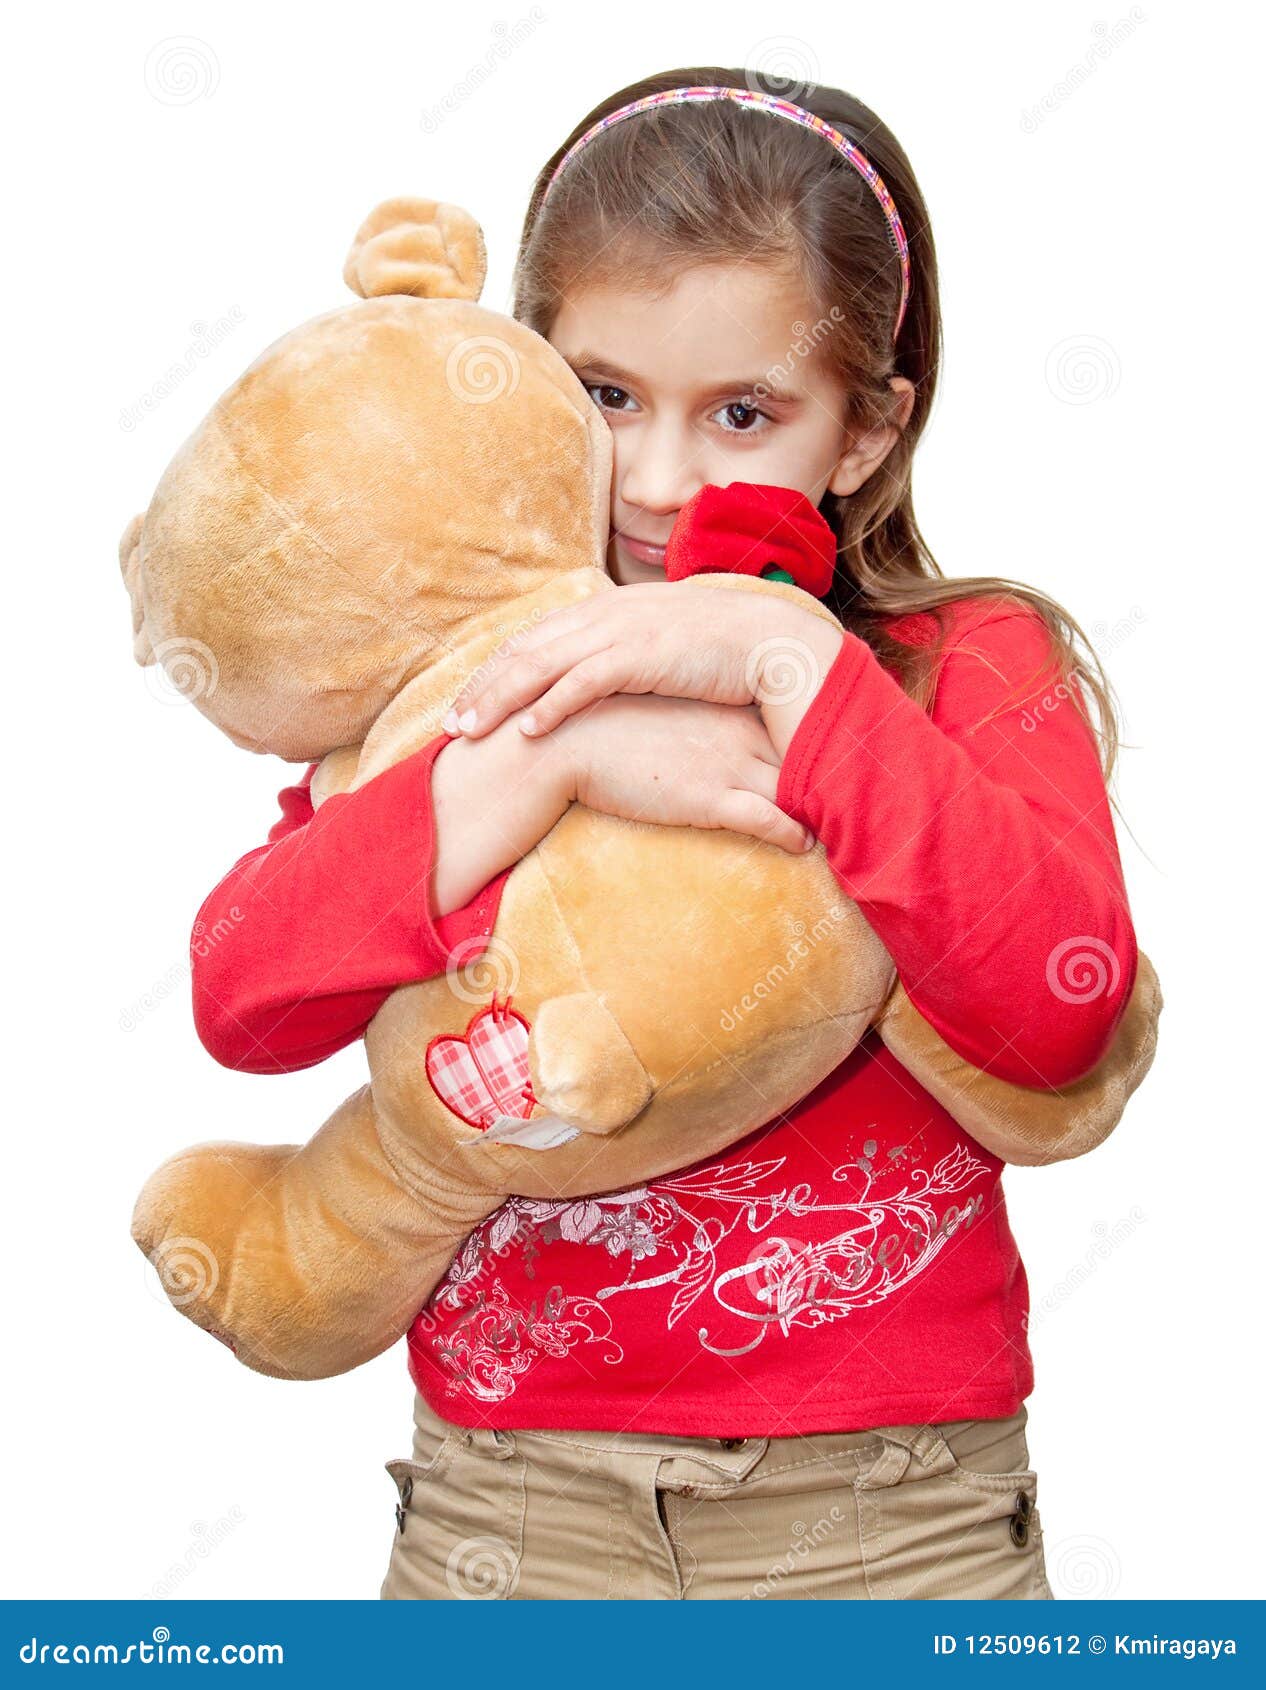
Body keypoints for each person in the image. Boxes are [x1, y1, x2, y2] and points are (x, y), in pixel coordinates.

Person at [191, 70, 1139, 1600]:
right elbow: (242, 993)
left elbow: (1058, 1014)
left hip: (891, 1510)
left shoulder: (954, 664)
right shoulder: (451, 679)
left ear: (861, 431)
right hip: (510, 1501)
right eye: (604, 394)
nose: (654, 475)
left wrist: (791, 670)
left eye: (744, 414)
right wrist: (533, 759)